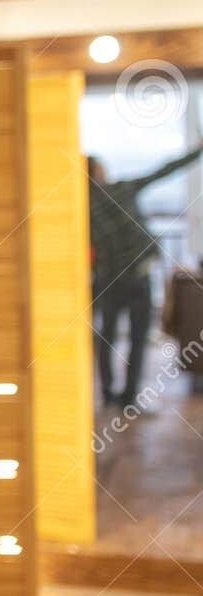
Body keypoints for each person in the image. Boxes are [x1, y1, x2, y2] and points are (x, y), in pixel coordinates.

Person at [88, 144, 203, 407]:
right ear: (97, 172)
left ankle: (107, 395)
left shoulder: (80, 208)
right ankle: (129, 398)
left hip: (107, 280)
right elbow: (164, 170)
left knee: (107, 337)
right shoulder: (122, 190)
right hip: (137, 276)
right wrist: (197, 151)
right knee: (137, 340)